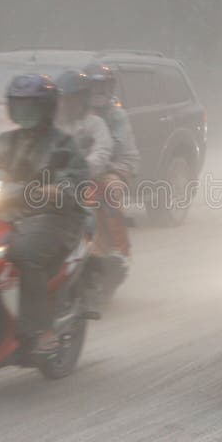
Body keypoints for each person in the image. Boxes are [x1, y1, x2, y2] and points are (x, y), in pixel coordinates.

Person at [0, 74, 88, 354]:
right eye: (19, 106)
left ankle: (39, 330)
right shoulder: (3, 142)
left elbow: (78, 178)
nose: (25, 113)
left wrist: (58, 189)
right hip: (6, 212)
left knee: (25, 253)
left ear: (47, 108)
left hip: (54, 217)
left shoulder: (63, 144)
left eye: (32, 107)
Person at [84, 63, 140, 281]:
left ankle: (120, 251)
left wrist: (89, 149)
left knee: (109, 190)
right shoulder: (78, 113)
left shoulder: (117, 115)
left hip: (118, 165)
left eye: (103, 87)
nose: (99, 93)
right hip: (89, 164)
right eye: (94, 87)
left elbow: (116, 146)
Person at [55, 70, 114, 181]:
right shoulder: (49, 125)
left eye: (71, 99)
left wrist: (78, 170)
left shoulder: (96, 124)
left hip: (86, 182)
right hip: (51, 182)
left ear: (84, 100)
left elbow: (102, 153)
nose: (64, 104)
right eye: (62, 99)